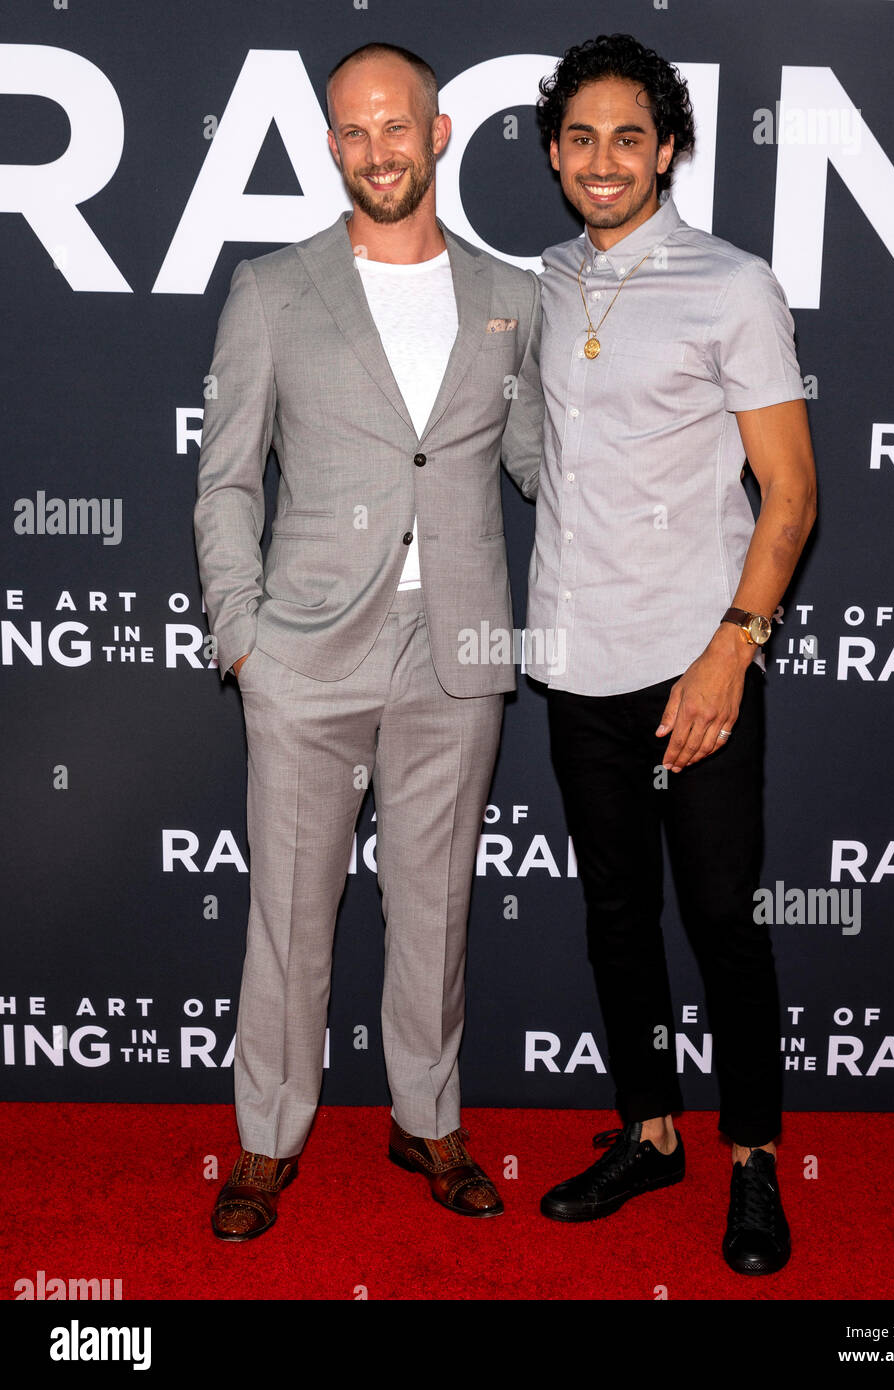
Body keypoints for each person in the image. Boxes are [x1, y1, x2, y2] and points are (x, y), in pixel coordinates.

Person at [194, 42, 543, 1240]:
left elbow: (543, 466)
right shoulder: (273, 289)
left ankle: (427, 1118)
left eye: (398, 127)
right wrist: (241, 635)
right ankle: (265, 1138)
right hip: (305, 651)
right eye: (354, 131)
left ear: (438, 135)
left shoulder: (515, 296)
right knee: (289, 907)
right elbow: (226, 479)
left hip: (456, 649)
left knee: (436, 903)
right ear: (332, 143)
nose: (378, 149)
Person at [526, 33, 817, 1274]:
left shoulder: (732, 283)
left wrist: (731, 650)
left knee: (721, 917)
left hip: (697, 661)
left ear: (670, 149)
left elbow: (791, 492)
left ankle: (754, 1161)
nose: (604, 161)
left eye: (628, 137)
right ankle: (651, 1132)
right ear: (554, 155)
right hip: (576, 654)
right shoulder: (537, 279)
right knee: (615, 913)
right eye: (581, 139)